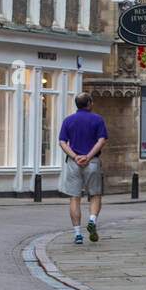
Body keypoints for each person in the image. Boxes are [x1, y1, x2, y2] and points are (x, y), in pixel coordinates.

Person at [58, 92, 108, 245]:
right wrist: (88, 156)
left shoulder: (68, 120)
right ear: (89, 103)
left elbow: (62, 142)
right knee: (95, 195)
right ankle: (92, 220)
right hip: (91, 162)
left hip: (74, 164)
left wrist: (75, 156)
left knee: (74, 198)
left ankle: (77, 234)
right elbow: (101, 140)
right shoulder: (97, 119)